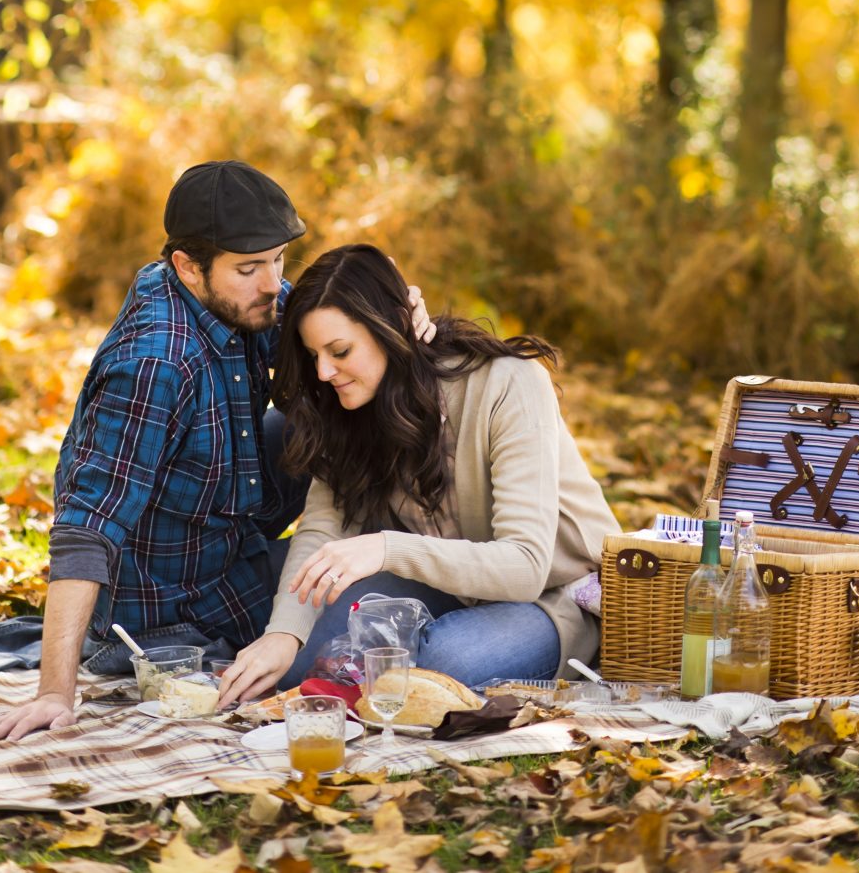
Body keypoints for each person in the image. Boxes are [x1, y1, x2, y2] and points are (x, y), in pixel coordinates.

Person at [0, 163, 433, 743]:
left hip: (227, 533)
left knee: (329, 400)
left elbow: (334, 317)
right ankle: (401, 562)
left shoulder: (241, 299)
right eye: (250, 268)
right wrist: (53, 692)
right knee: (385, 608)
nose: (273, 284)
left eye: (277, 261)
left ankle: (403, 536)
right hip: (174, 601)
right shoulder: (154, 365)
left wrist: (395, 309)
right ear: (188, 267)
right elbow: (86, 526)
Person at [218, 242, 618, 704]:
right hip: (445, 583)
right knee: (305, 663)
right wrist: (283, 636)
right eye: (313, 356)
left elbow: (525, 567)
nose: (324, 371)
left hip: (550, 595)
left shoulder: (509, 383)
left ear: (389, 330)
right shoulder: (346, 405)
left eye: (340, 350)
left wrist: (386, 548)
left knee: (445, 661)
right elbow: (322, 532)